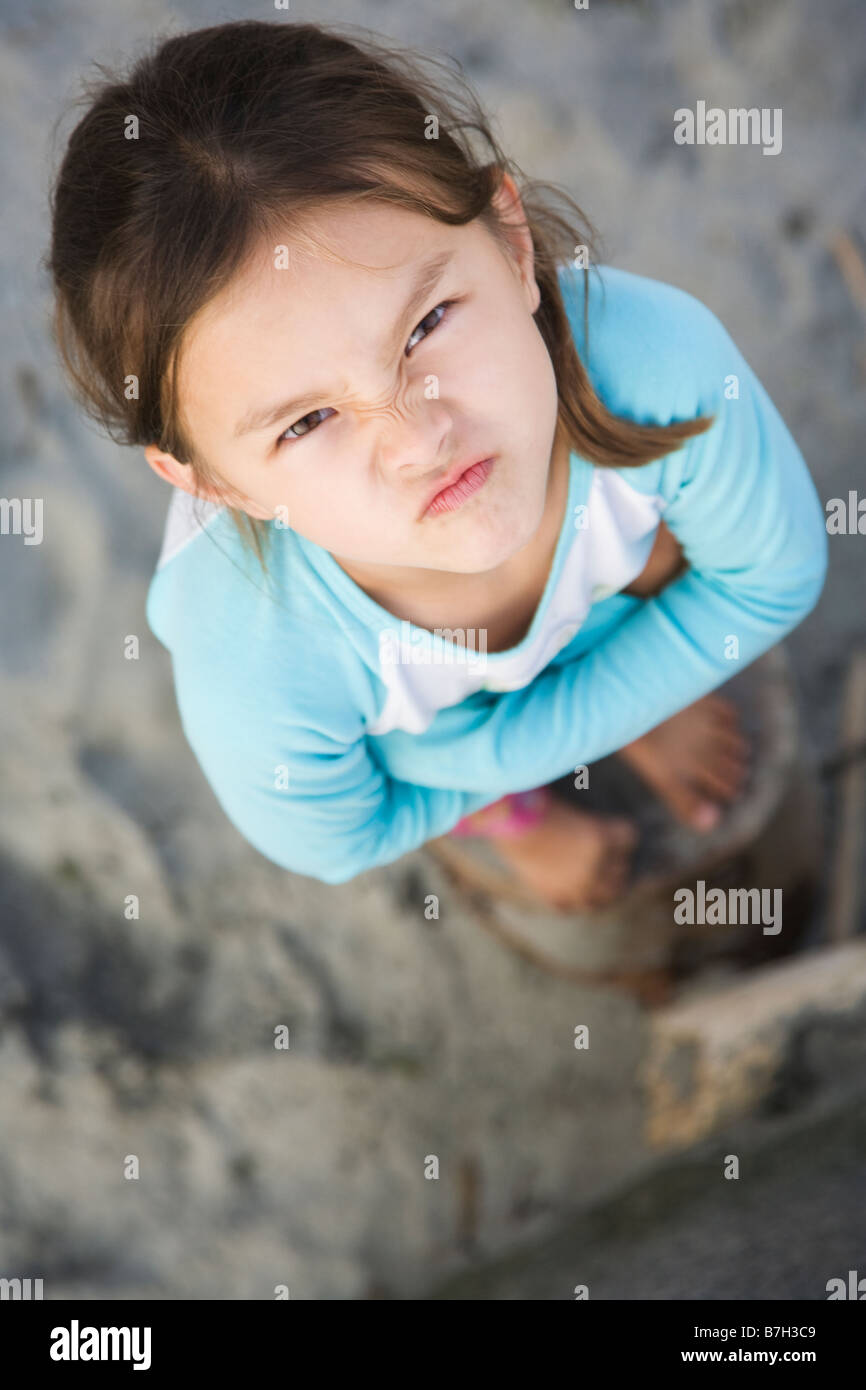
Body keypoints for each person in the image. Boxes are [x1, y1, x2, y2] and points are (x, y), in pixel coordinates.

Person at [46, 19, 828, 911]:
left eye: (426, 325)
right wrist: (502, 788)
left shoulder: (657, 363)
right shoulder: (259, 656)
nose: (420, 440)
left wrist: (478, 753)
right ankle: (517, 812)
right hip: (424, 711)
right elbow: (344, 837)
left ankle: (609, 662)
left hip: (473, 713)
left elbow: (777, 578)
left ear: (511, 241)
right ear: (218, 487)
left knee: (643, 549)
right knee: (482, 693)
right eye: (308, 422)